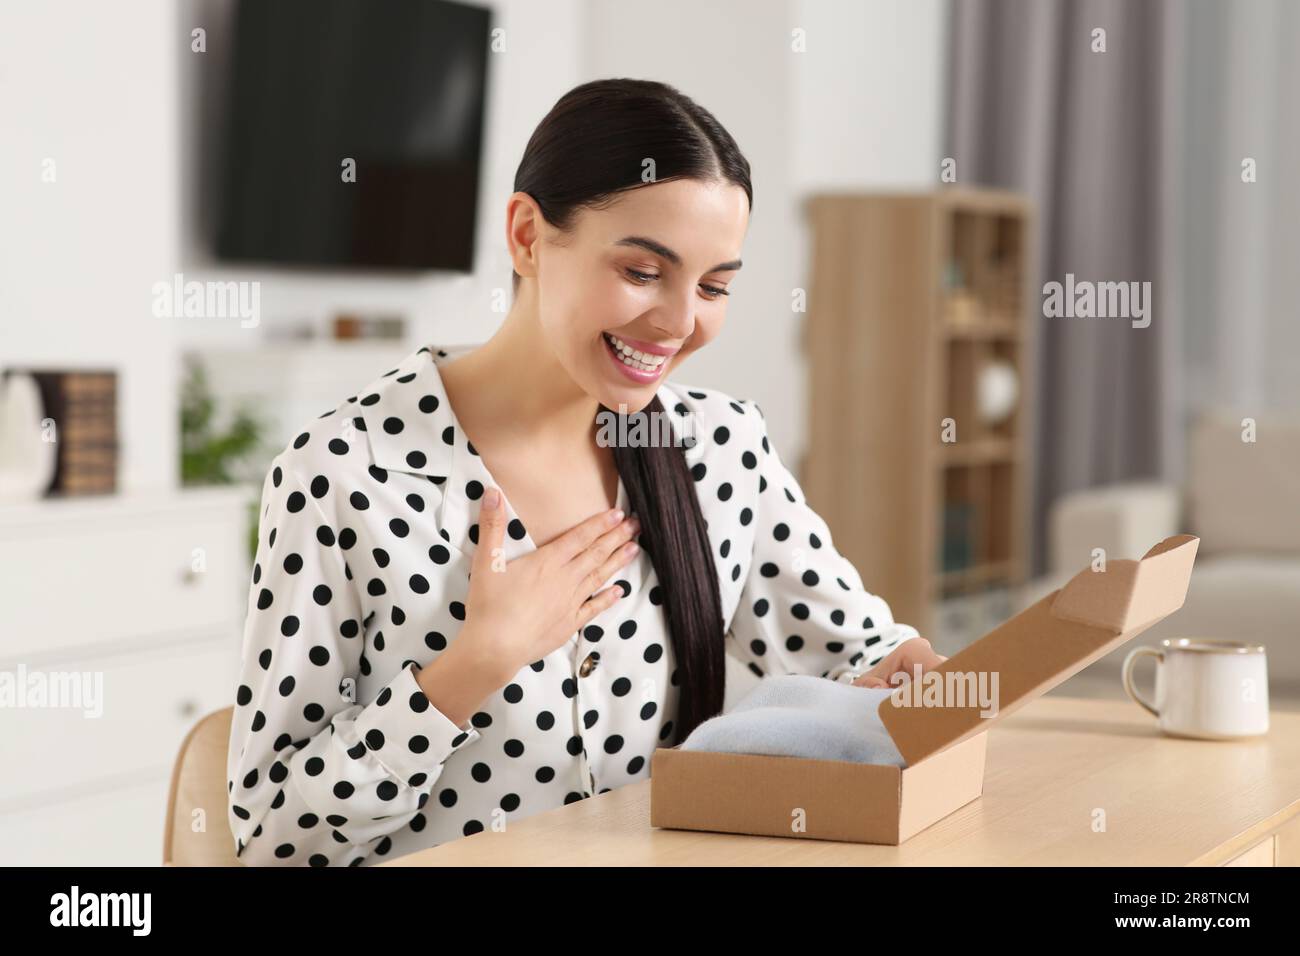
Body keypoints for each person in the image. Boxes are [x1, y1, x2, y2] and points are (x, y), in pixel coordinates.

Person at [226, 78, 945, 866]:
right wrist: (473, 666)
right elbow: (272, 842)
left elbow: (853, 653)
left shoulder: (720, 447)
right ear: (529, 235)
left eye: (712, 287)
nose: (678, 322)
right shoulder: (341, 473)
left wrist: (901, 677)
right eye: (642, 272)